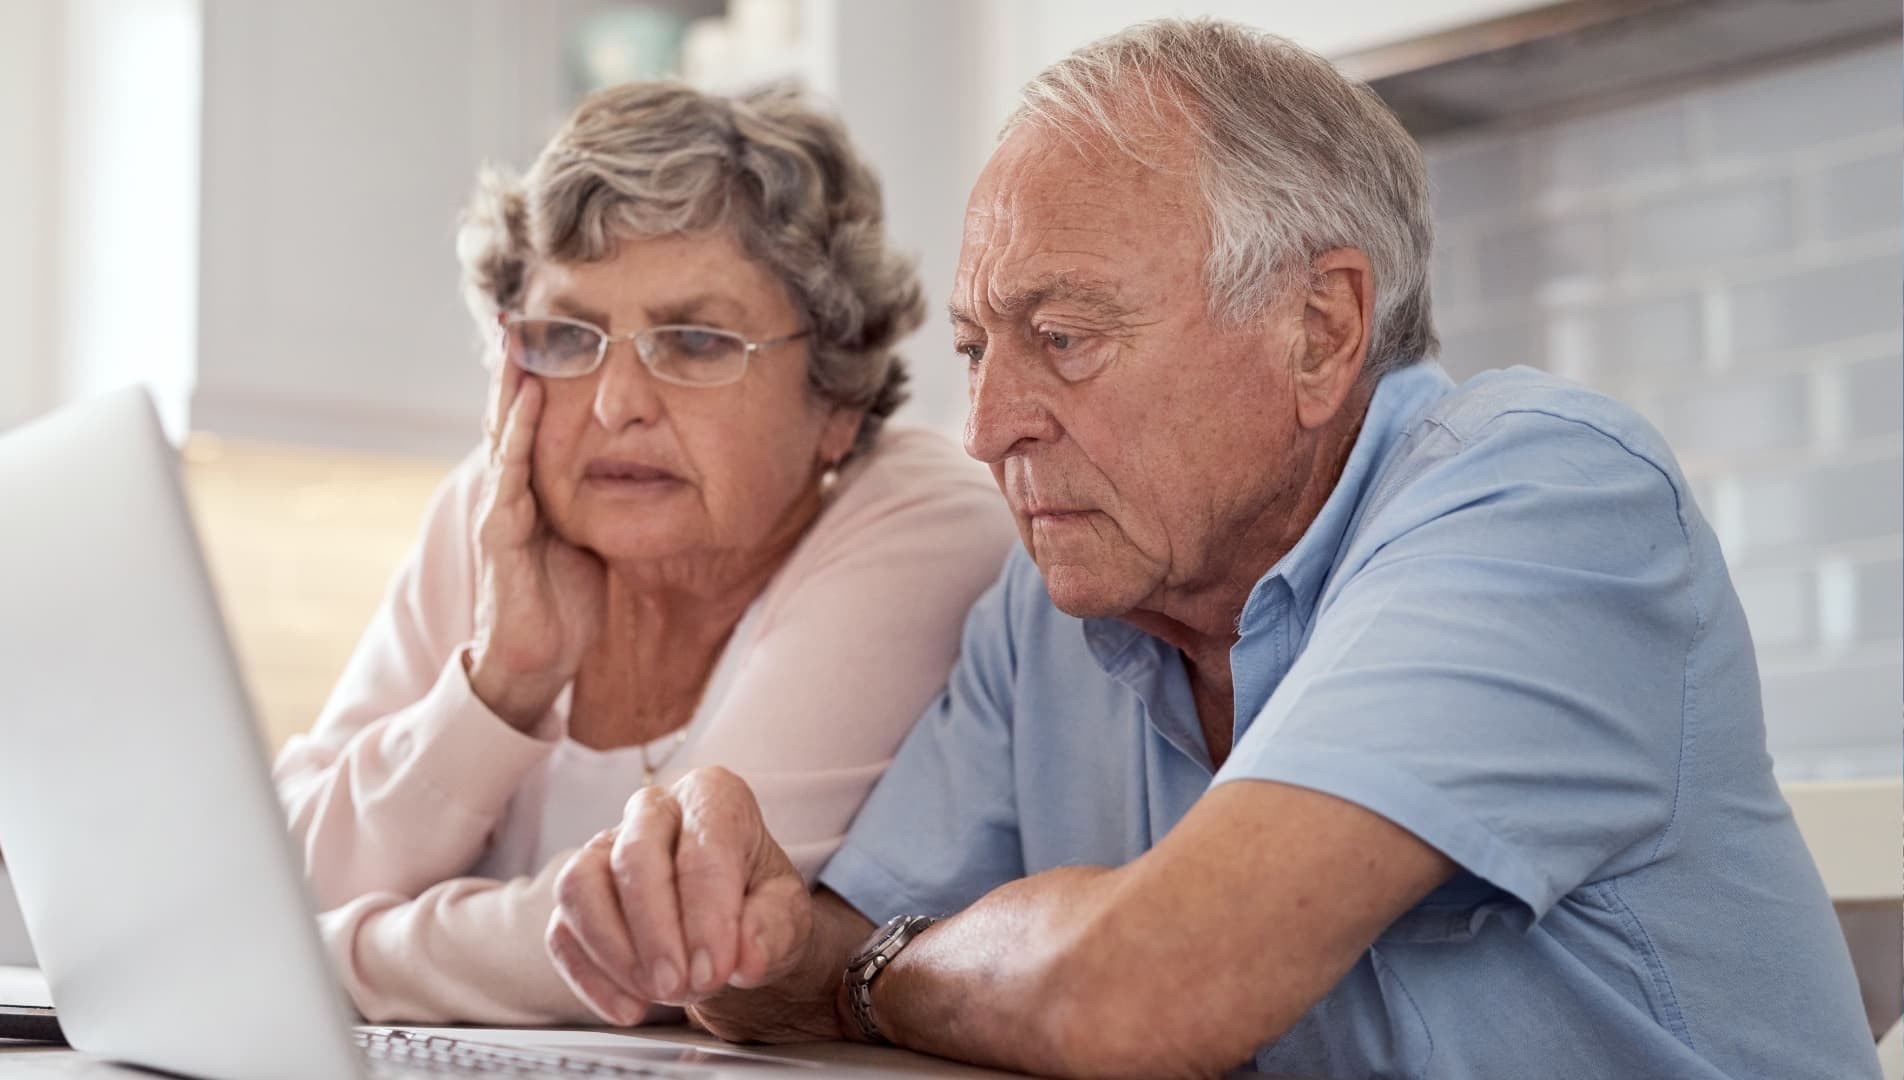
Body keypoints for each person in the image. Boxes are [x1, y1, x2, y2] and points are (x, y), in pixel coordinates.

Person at [545, 20, 1882, 1080]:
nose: (989, 427)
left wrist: (864, 976)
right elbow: (811, 958)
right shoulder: (1049, 603)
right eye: (974, 349)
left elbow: (1145, 992)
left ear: (1318, 330)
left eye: (1062, 336)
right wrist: (741, 918)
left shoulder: (1545, 496)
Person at [271, 80, 1015, 1025]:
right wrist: (501, 684)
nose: (617, 401)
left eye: (696, 340)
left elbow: (668, 938)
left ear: (835, 396)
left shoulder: (922, 519)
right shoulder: (497, 507)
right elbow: (278, 867)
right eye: (567, 338)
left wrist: (329, 956)